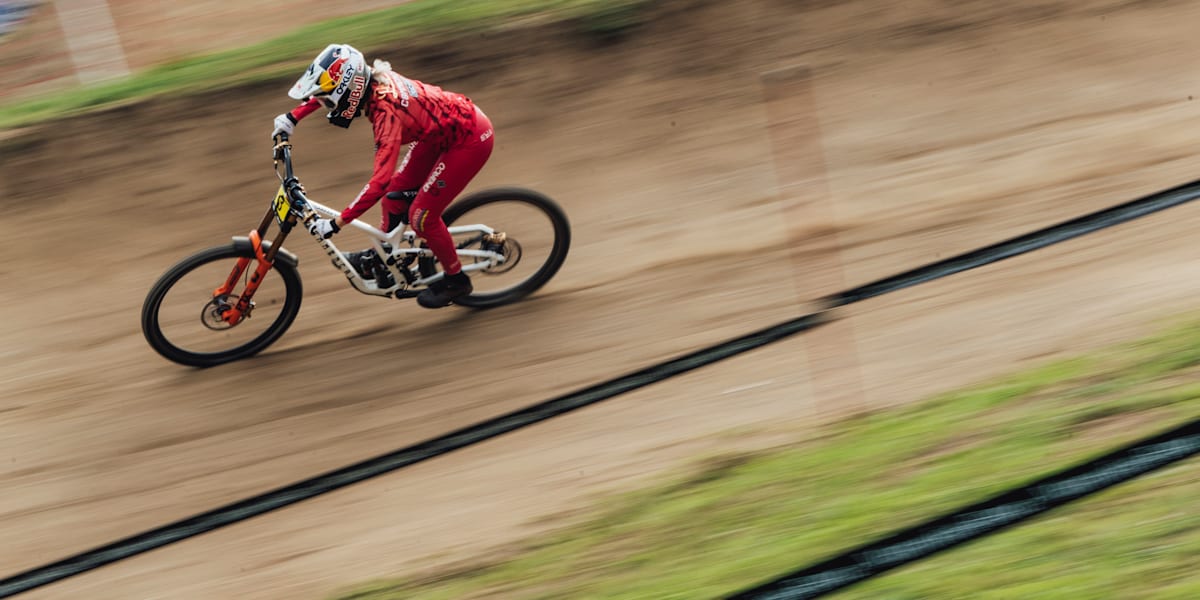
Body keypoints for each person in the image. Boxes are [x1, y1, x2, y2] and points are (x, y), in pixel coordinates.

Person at [270, 43, 495, 309]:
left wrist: (336, 223)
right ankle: (383, 258)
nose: (325, 105)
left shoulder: (386, 117)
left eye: (328, 101)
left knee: (421, 218)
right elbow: (330, 91)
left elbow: (378, 182)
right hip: (439, 132)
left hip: (469, 141)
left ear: (350, 94)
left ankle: (456, 280)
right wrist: (292, 117)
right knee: (393, 198)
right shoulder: (368, 82)